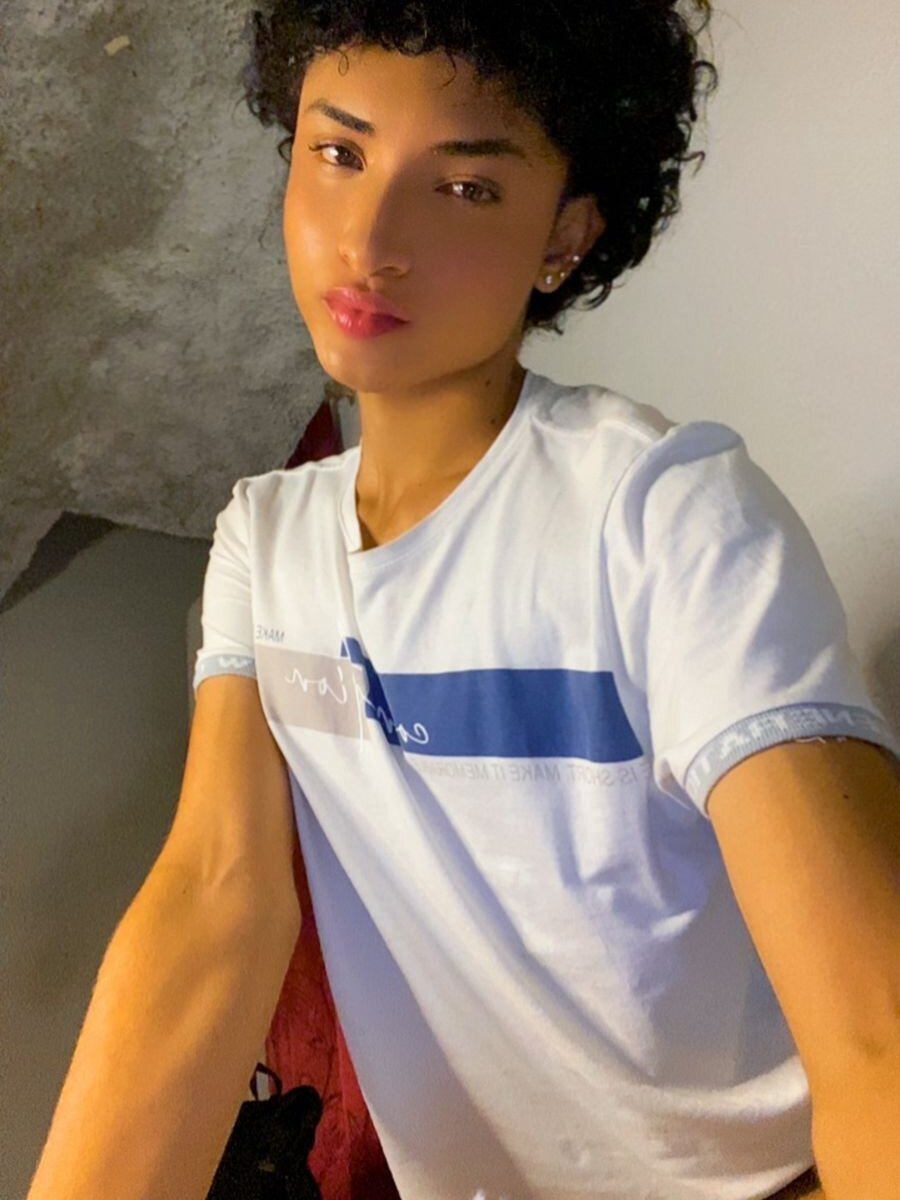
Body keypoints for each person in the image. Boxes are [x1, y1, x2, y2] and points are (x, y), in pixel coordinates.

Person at [27, 4, 900, 1200]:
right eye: (340, 153)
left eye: (466, 188)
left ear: (567, 235)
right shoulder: (263, 541)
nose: (369, 239)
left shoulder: (662, 510)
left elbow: (876, 1033)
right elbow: (215, 904)